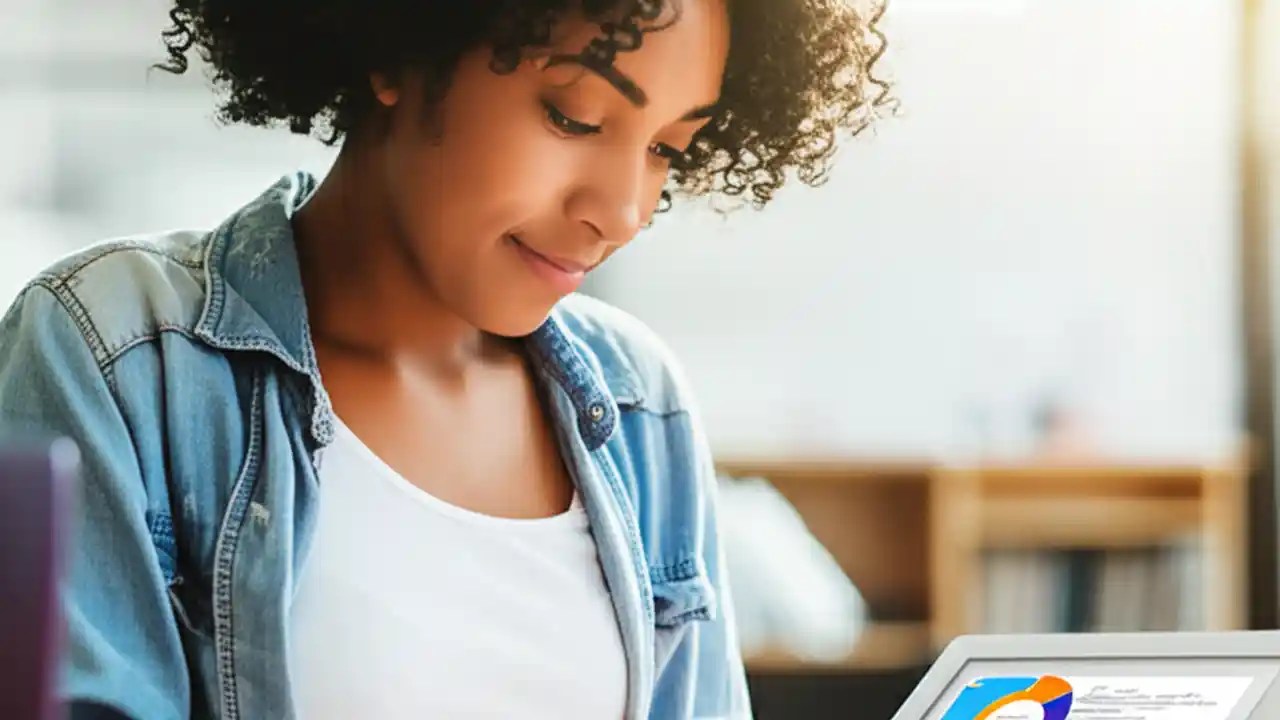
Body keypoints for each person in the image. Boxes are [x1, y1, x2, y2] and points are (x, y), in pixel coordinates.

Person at [0, 0, 891, 717]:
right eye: (572, 115)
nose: (622, 210)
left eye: (667, 149)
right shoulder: (117, 356)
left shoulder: (639, 403)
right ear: (399, 43)